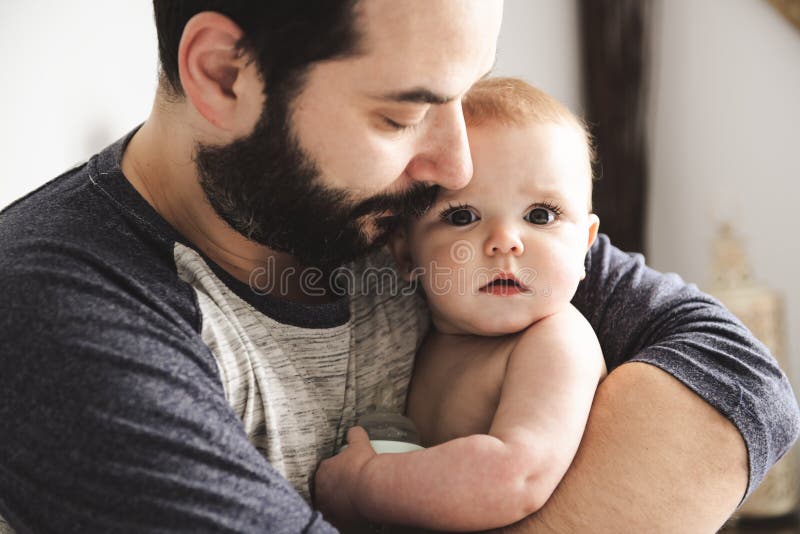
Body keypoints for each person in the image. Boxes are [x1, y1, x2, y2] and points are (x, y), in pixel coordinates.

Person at [0, 1, 797, 533]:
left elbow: (735, 376)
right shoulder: (60, 310)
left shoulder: (412, 214)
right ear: (224, 74)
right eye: (403, 114)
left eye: (462, 95)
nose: (455, 167)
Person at [313, 78, 607, 532]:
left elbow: (516, 476)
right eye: (462, 216)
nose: (504, 242)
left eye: (541, 215)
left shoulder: (555, 343)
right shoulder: (420, 332)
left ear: (585, 247)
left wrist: (367, 483)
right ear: (405, 253)